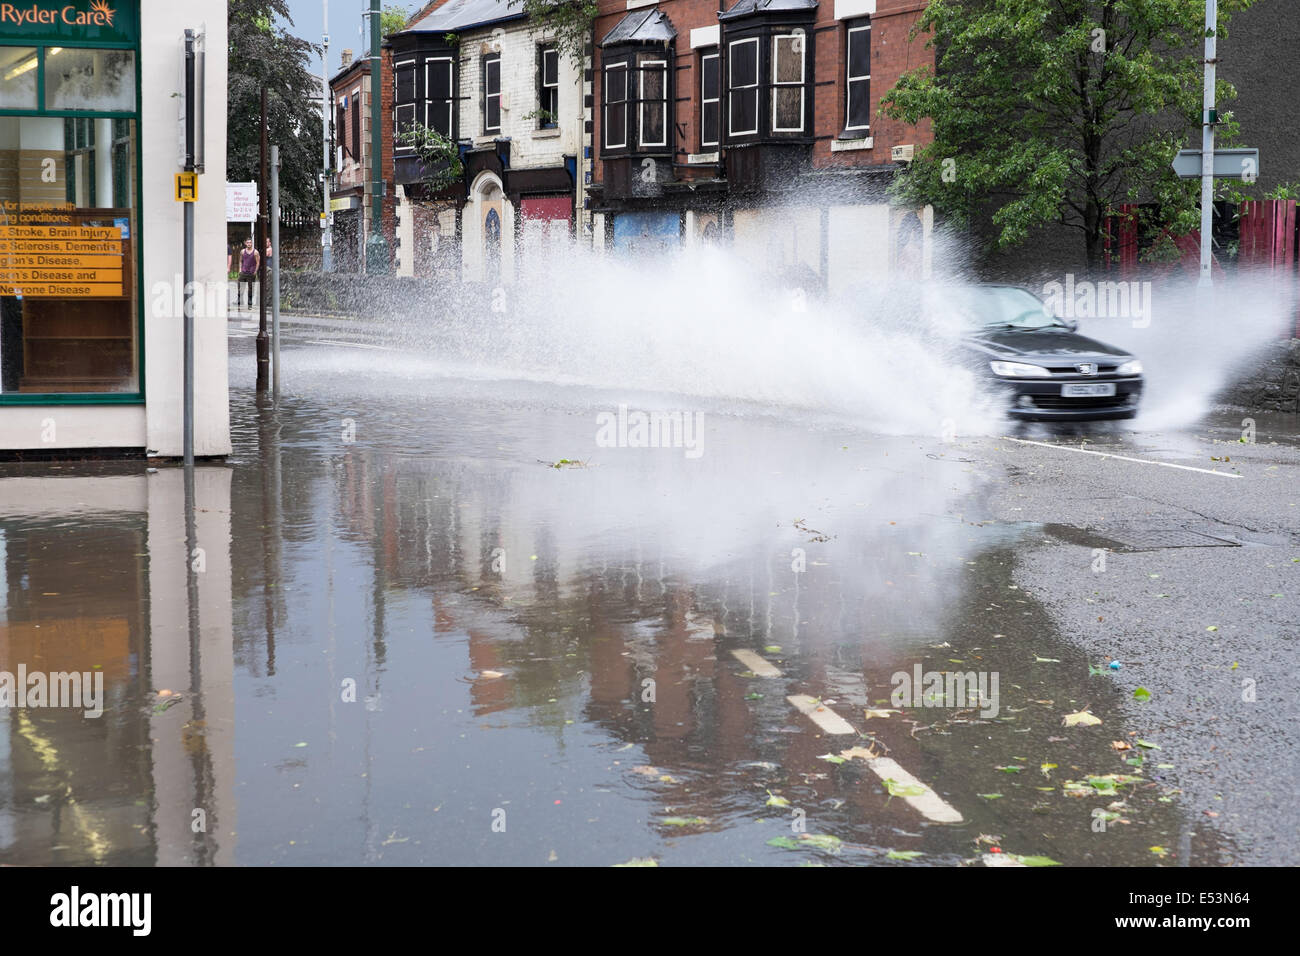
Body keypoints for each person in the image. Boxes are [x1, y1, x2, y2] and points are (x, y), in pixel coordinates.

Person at [236, 237, 260, 312]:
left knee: (250, 288)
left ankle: (250, 302)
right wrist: (240, 269)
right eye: (248, 242)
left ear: (252, 243)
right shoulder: (242, 251)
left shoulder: (255, 252)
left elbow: (258, 262)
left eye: (250, 242)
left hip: (251, 273)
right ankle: (240, 300)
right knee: (240, 287)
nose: (249, 244)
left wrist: (255, 271)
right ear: (245, 243)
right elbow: (240, 261)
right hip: (243, 272)